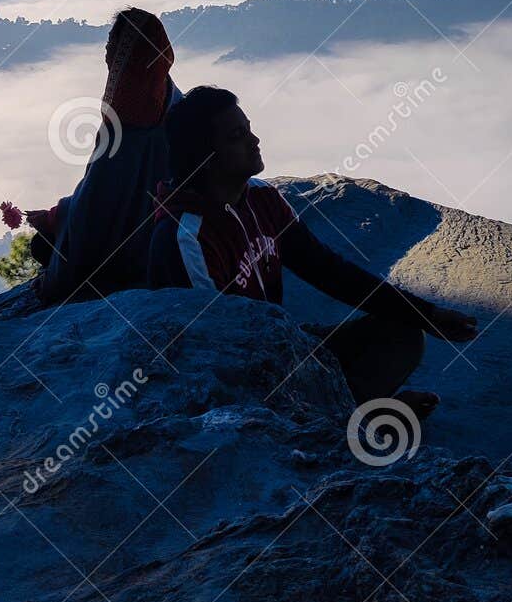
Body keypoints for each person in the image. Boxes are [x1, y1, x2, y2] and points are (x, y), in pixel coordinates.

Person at [146, 86, 476, 407]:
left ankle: (354, 407)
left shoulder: (262, 198)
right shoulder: (186, 239)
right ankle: (357, 418)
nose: (254, 141)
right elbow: (214, 350)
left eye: (248, 129)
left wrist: (425, 313)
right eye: (237, 136)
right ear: (204, 158)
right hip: (240, 371)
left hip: (280, 344)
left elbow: (325, 268)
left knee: (403, 332)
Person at [8, 7, 180, 304]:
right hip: (166, 241)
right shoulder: (178, 105)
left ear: (126, 57)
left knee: (41, 246)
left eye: (113, 43)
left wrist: (53, 217)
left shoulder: (121, 128)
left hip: (126, 254)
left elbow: (94, 212)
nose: (107, 50)